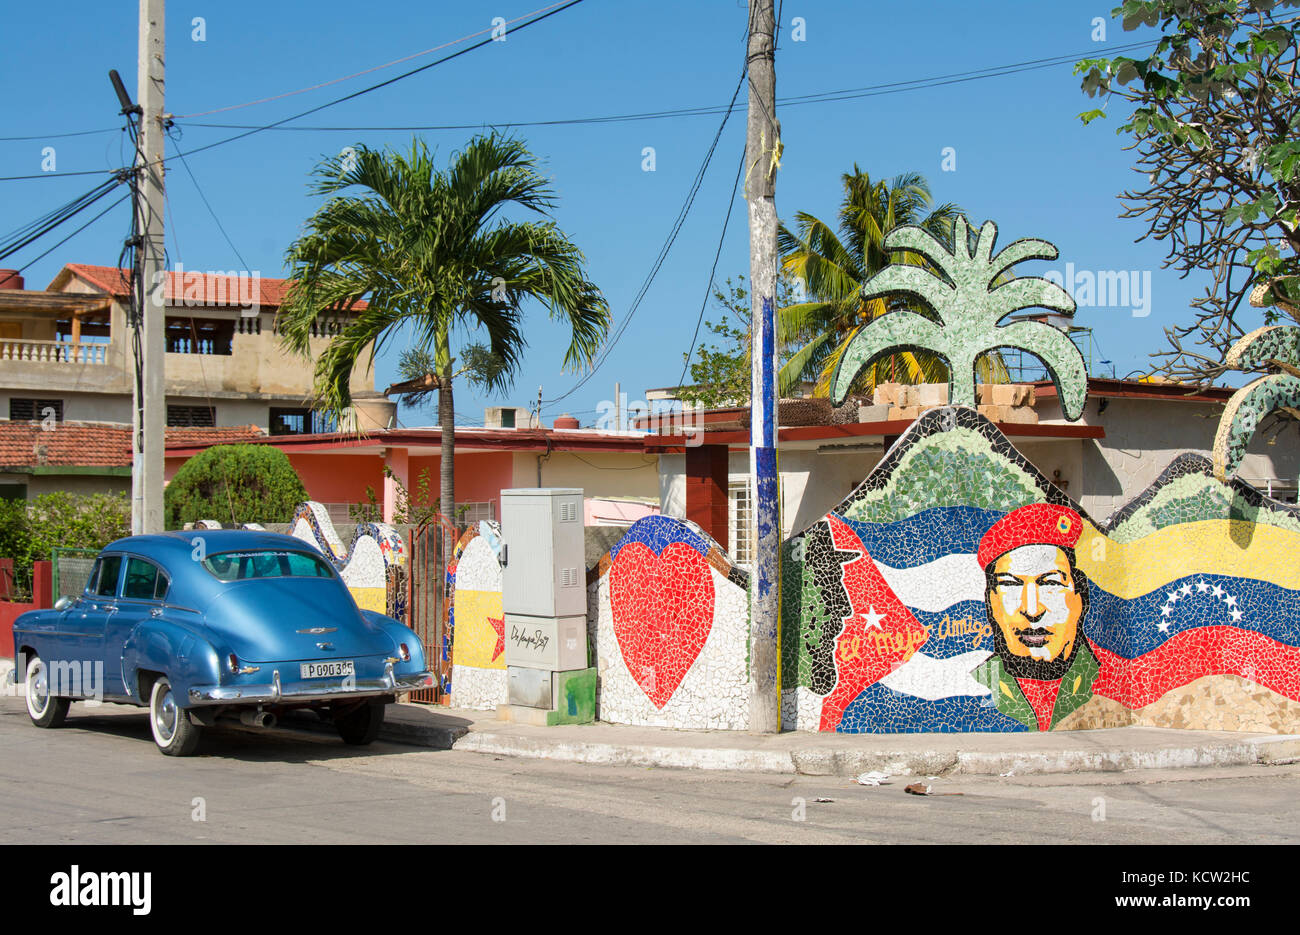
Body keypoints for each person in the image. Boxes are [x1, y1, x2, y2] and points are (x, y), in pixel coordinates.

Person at [971, 503, 1098, 731]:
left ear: (1080, 598)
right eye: (1010, 584)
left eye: (1050, 583)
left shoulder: (1107, 683)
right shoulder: (974, 684)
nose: (1032, 610)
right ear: (992, 603)